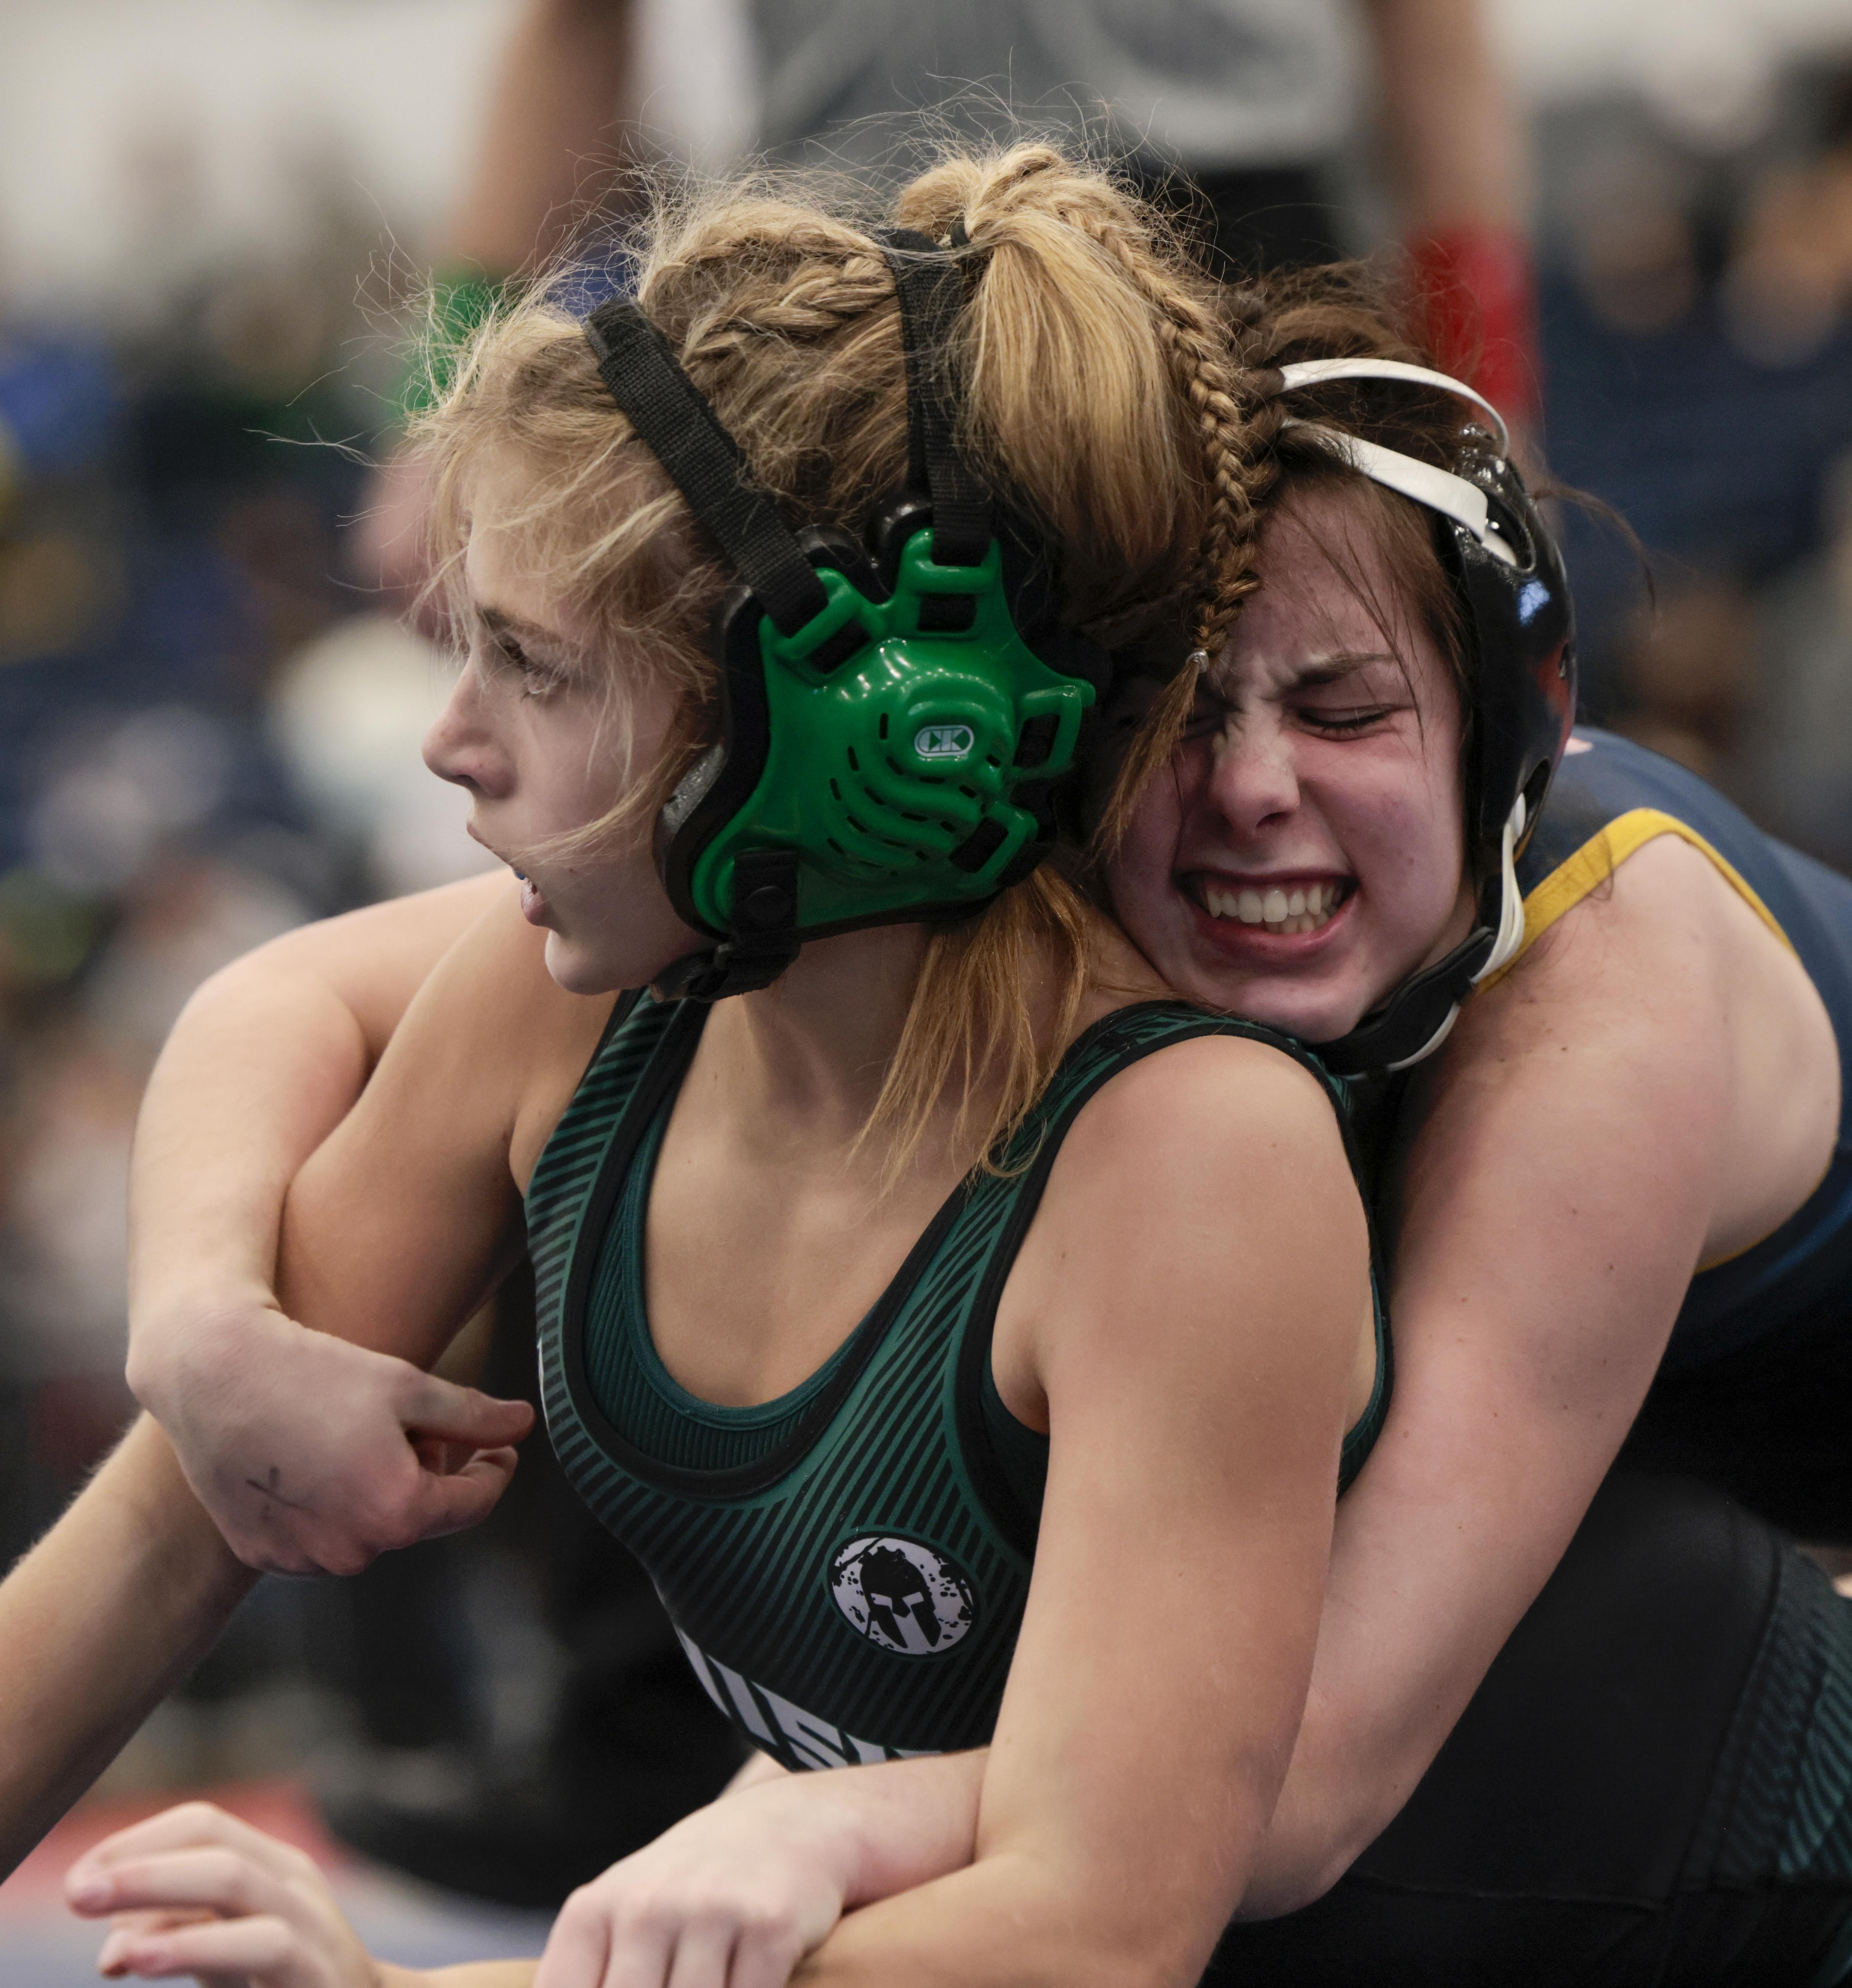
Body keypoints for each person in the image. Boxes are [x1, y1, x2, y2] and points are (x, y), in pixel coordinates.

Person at [93, 259, 1852, 1985]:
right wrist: (194, 1315)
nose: (1251, 790)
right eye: (1178, 718)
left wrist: (837, 1814)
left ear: (1503, 735)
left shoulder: (1603, 999)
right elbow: (301, 994)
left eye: (1344, 711)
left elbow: (1301, 1783)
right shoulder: (1045, 858)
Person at [60, 142, 1403, 1988]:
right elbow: (170, 1526)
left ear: (859, 726)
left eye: (531, 664)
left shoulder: (1186, 1158)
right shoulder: (588, 994)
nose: (449, 741)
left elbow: (1097, 1936)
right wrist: (204, 1317)